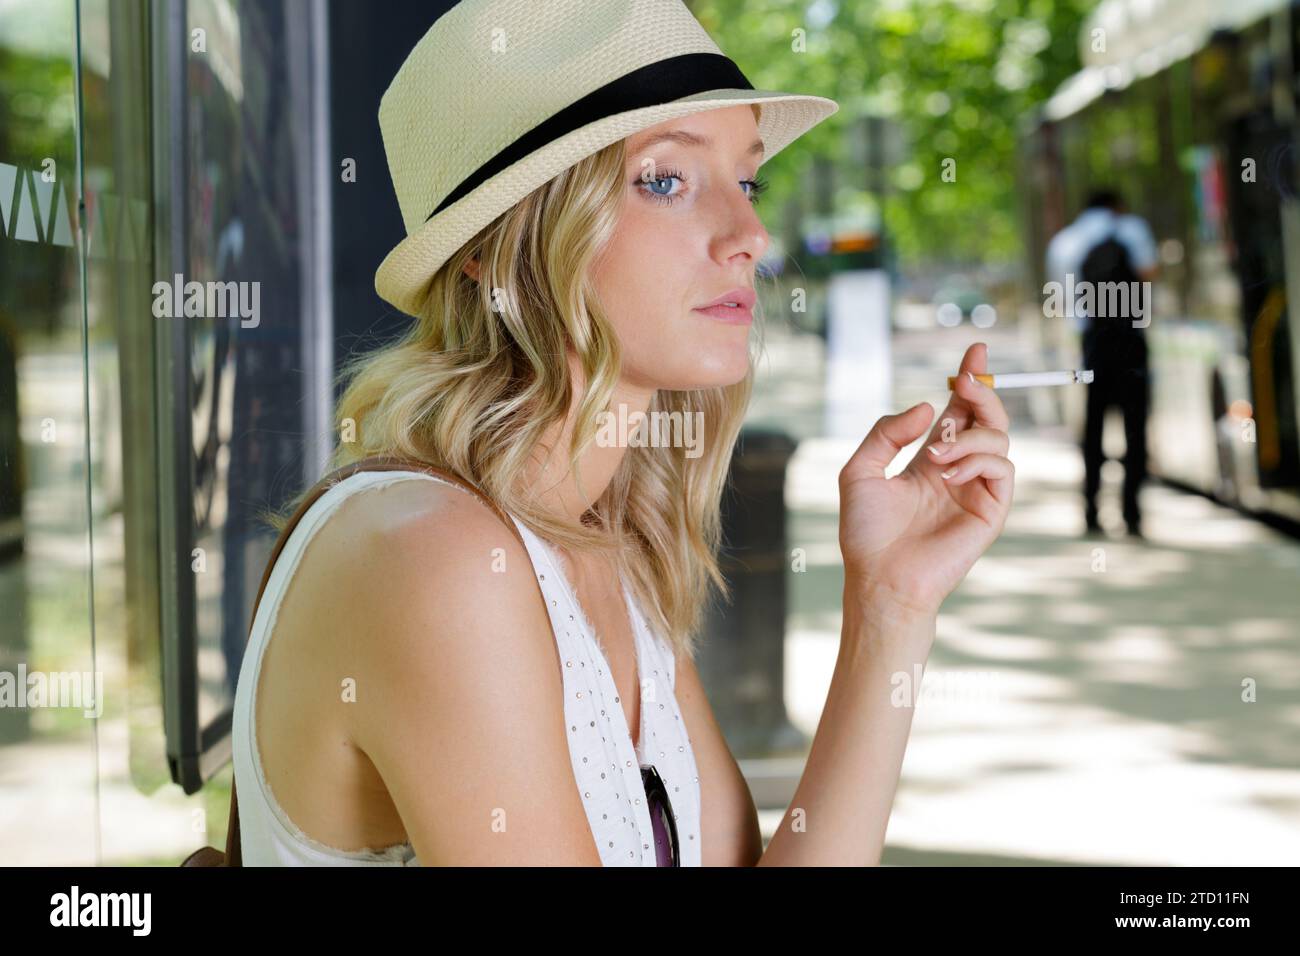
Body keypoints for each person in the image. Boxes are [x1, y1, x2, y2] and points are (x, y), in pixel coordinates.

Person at [229, 0, 1014, 867]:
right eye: (666, 180)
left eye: (747, 182)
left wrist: (891, 609)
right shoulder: (436, 557)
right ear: (500, 242)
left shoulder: (608, 545)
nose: (751, 235)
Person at [1046, 189, 1159, 538]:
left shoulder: (1064, 241)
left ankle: (1092, 513)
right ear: (1117, 206)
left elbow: (1060, 298)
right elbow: (1150, 275)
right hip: (1131, 343)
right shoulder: (1132, 230)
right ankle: (1132, 515)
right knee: (1135, 431)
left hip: (1092, 347)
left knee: (1093, 430)